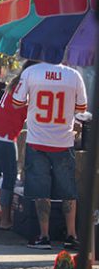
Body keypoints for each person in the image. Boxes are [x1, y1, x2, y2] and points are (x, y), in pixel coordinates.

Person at [13, 61, 87, 250]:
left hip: (37, 140)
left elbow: (16, 103)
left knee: (41, 192)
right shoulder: (74, 75)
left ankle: (44, 236)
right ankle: (71, 235)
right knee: (68, 190)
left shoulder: (31, 72)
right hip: (63, 140)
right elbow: (81, 108)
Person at [0, 61, 34, 230]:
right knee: (10, 176)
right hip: (3, 134)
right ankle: (5, 220)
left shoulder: (15, 83)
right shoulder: (27, 89)